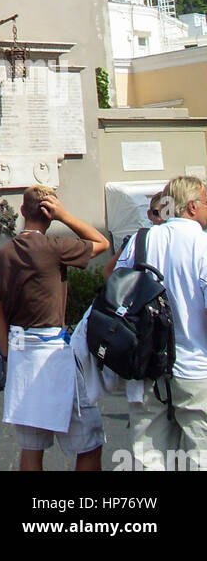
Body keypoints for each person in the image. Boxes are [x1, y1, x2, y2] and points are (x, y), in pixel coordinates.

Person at [0, 185, 107, 471]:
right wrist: (66, 216)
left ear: (21, 212)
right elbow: (101, 242)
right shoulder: (55, 247)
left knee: (31, 445)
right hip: (53, 351)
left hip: (21, 353)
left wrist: (8, 355)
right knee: (89, 440)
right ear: (49, 215)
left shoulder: (1, 254)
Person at [114, 174, 207, 470]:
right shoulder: (203, 245)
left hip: (147, 365)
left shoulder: (142, 239)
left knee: (147, 458)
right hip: (196, 366)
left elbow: (115, 292)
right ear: (191, 207)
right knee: (199, 457)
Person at [104, 191, 170, 280]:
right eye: (157, 213)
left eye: (167, 213)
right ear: (149, 214)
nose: (163, 218)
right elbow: (108, 271)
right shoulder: (137, 240)